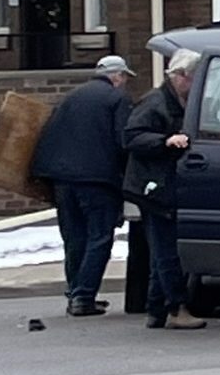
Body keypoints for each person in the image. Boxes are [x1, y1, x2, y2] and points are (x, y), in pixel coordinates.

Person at [33, 56, 135, 317]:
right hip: (97, 180)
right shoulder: (116, 100)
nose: (124, 83)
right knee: (99, 237)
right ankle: (83, 296)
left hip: (62, 180)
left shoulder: (71, 97)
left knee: (74, 237)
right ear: (117, 76)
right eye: (124, 78)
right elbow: (123, 142)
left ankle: (75, 291)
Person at [124, 49, 205, 330]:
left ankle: (157, 309)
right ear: (181, 77)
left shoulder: (174, 101)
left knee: (163, 246)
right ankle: (175, 307)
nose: (197, 85)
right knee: (165, 249)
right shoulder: (155, 103)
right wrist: (165, 141)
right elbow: (132, 137)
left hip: (159, 183)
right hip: (153, 185)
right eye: (194, 78)